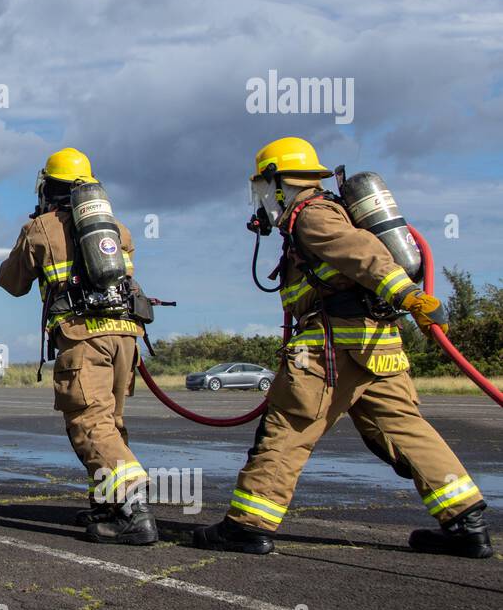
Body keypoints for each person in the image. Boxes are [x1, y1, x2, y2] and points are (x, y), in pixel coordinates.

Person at [194, 137, 492, 558]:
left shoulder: (312, 215)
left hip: (331, 350)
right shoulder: (321, 213)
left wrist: (410, 297)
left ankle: (247, 525)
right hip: (377, 346)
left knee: (289, 427)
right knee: (405, 430)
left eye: (262, 189)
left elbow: (365, 255)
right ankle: (466, 522)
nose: (259, 199)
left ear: (279, 184)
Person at [0, 148, 157, 545]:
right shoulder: (116, 228)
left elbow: (11, 283)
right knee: (111, 422)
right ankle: (108, 506)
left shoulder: (42, 227)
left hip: (83, 339)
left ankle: (135, 512)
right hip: (125, 338)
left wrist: (27, 241)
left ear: (48, 187)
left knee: (89, 422)